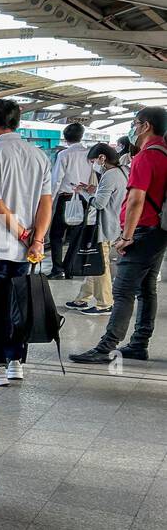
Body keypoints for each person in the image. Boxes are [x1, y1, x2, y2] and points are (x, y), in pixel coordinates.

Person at [70, 107, 167, 363]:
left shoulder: (147, 157)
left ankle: (106, 347)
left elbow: (136, 200)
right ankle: (138, 343)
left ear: (146, 126)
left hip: (143, 232)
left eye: (135, 124)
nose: (134, 129)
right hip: (157, 232)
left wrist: (127, 235)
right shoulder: (164, 154)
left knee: (123, 290)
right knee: (147, 290)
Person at [0, 98, 52, 386]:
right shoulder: (39, 157)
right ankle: (15, 362)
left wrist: (25, 235)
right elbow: (45, 204)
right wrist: (36, 240)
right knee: (19, 305)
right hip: (25, 252)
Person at [66, 143, 127, 318]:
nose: (93, 165)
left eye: (93, 161)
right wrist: (92, 189)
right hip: (116, 222)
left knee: (101, 265)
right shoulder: (122, 171)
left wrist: (82, 192)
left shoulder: (109, 175)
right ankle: (82, 298)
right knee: (94, 261)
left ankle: (105, 304)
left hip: (105, 225)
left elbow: (99, 203)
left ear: (102, 158)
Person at [49, 122, 92, 279]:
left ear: (65, 138)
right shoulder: (89, 154)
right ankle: (70, 269)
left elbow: (56, 180)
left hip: (65, 198)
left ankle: (57, 269)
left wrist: (50, 201)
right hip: (83, 198)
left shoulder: (64, 155)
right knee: (75, 237)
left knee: (56, 235)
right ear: (81, 136)